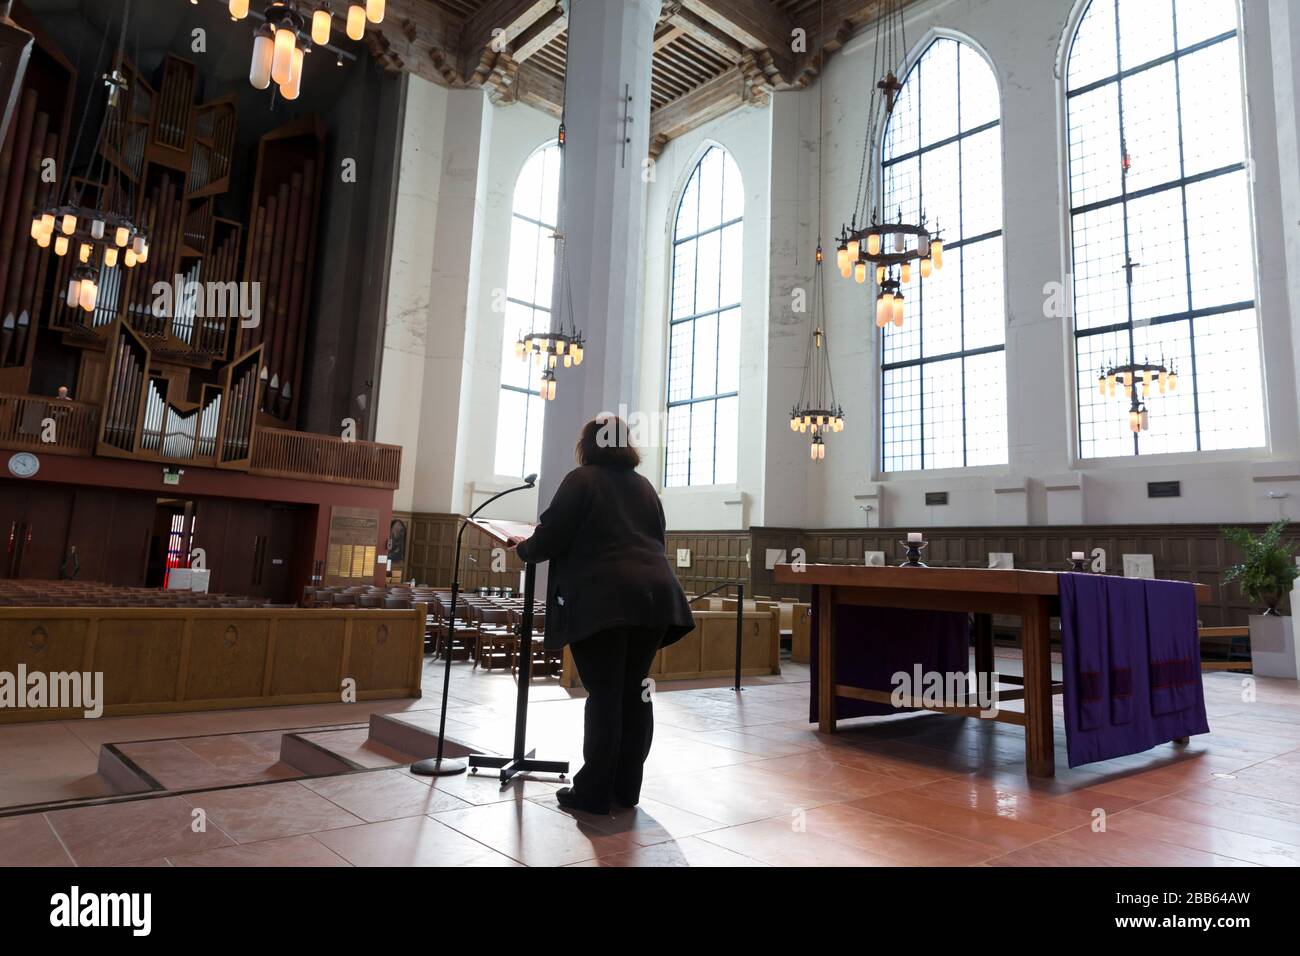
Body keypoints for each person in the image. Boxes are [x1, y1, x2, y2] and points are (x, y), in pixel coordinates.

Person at [508, 415, 694, 815]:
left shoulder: (583, 480)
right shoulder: (645, 487)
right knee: (636, 694)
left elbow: (553, 535)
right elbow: (657, 540)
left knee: (606, 696)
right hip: (654, 601)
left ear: (588, 445)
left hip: (604, 603)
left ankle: (592, 793)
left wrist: (523, 549)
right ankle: (625, 790)